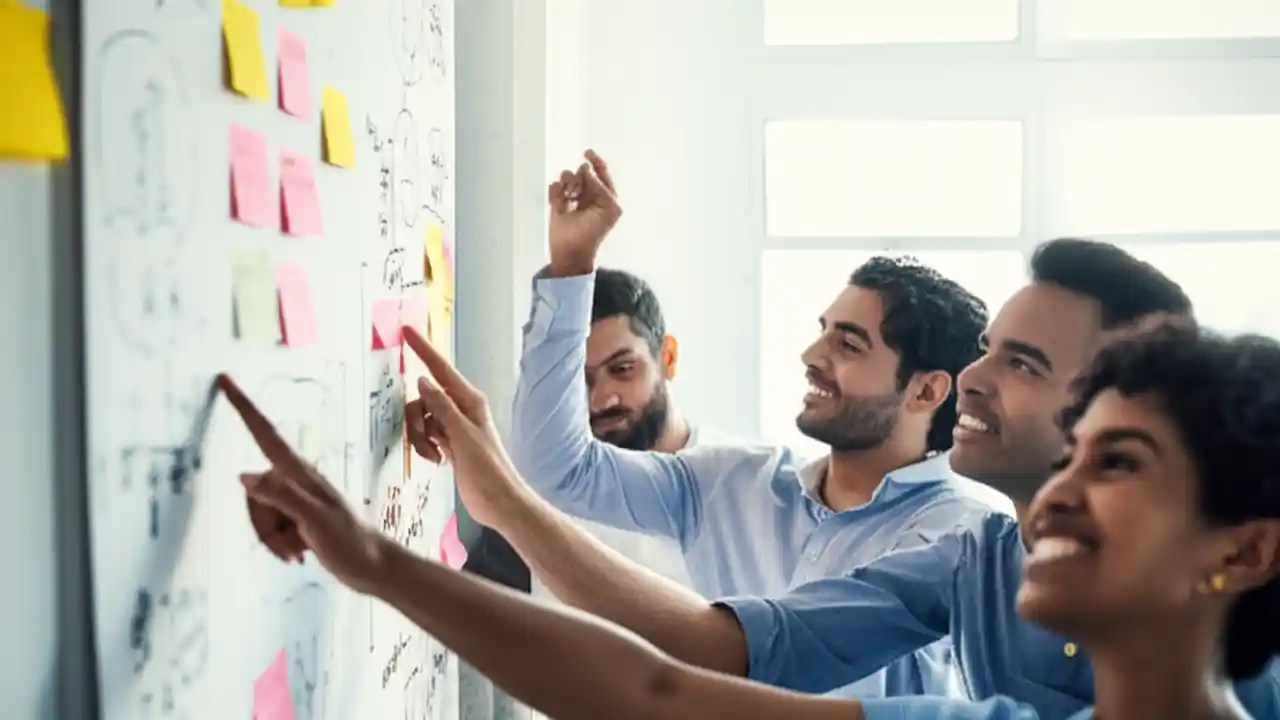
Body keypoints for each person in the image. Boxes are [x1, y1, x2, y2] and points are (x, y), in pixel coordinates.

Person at [223, 321, 1280, 720]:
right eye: (1074, 458)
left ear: (1243, 546)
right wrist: (377, 562)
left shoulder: (946, 529)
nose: (1055, 494)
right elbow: (663, 687)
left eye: (1120, 465)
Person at [412, 235, 1276, 717]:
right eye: (984, 351)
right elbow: (689, 672)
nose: (973, 380)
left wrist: (503, 508)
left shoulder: (950, 528)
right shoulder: (973, 562)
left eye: (1021, 362)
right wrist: (398, 551)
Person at [495, 150, 1008, 697]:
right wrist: (573, 264)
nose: (812, 354)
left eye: (848, 344)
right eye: (823, 330)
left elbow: (781, 656)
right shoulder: (729, 482)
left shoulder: (960, 543)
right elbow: (558, 468)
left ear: (926, 390)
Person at [465, 267, 705, 591]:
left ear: (668, 357)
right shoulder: (540, 486)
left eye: (622, 369)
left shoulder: (733, 484)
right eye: (580, 379)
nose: (601, 399)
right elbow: (474, 614)